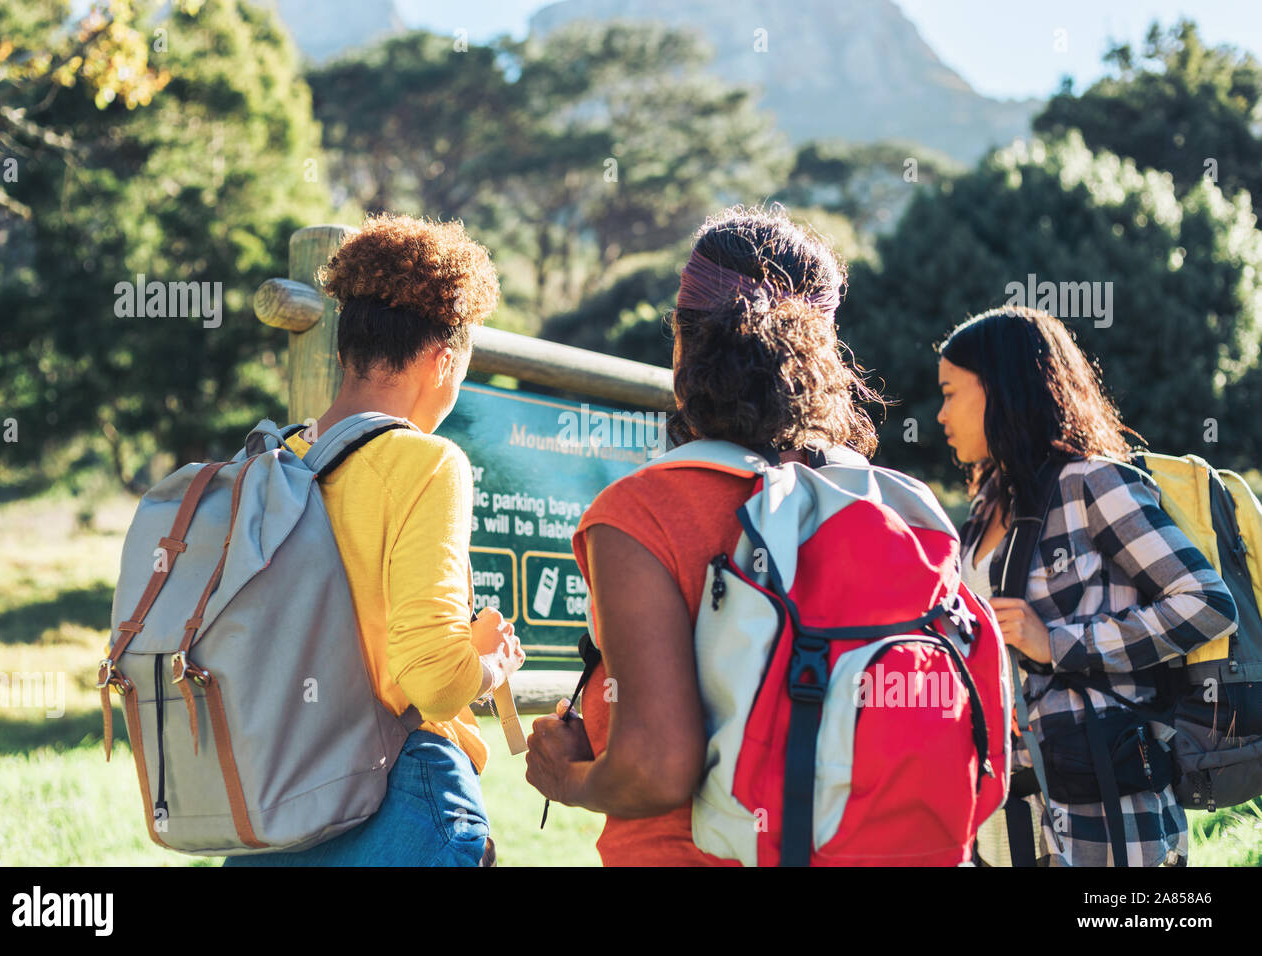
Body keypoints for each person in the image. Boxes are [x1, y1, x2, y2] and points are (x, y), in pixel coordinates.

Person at [523, 203, 891, 865]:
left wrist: (568, 778)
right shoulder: (880, 502)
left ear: (684, 346)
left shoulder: (642, 512)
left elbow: (657, 768)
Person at [226, 213, 524, 867]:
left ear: (342, 351)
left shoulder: (273, 463)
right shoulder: (430, 463)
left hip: (274, 794)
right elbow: (433, 679)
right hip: (398, 794)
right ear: (444, 361)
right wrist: (492, 663)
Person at [937, 305, 1237, 867]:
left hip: (1109, 818)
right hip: (1007, 817)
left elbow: (1206, 604)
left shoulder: (1091, 484)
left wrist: (1056, 643)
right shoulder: (985, 507)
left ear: (1000, 388)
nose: (939, 414)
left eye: (951, 392)